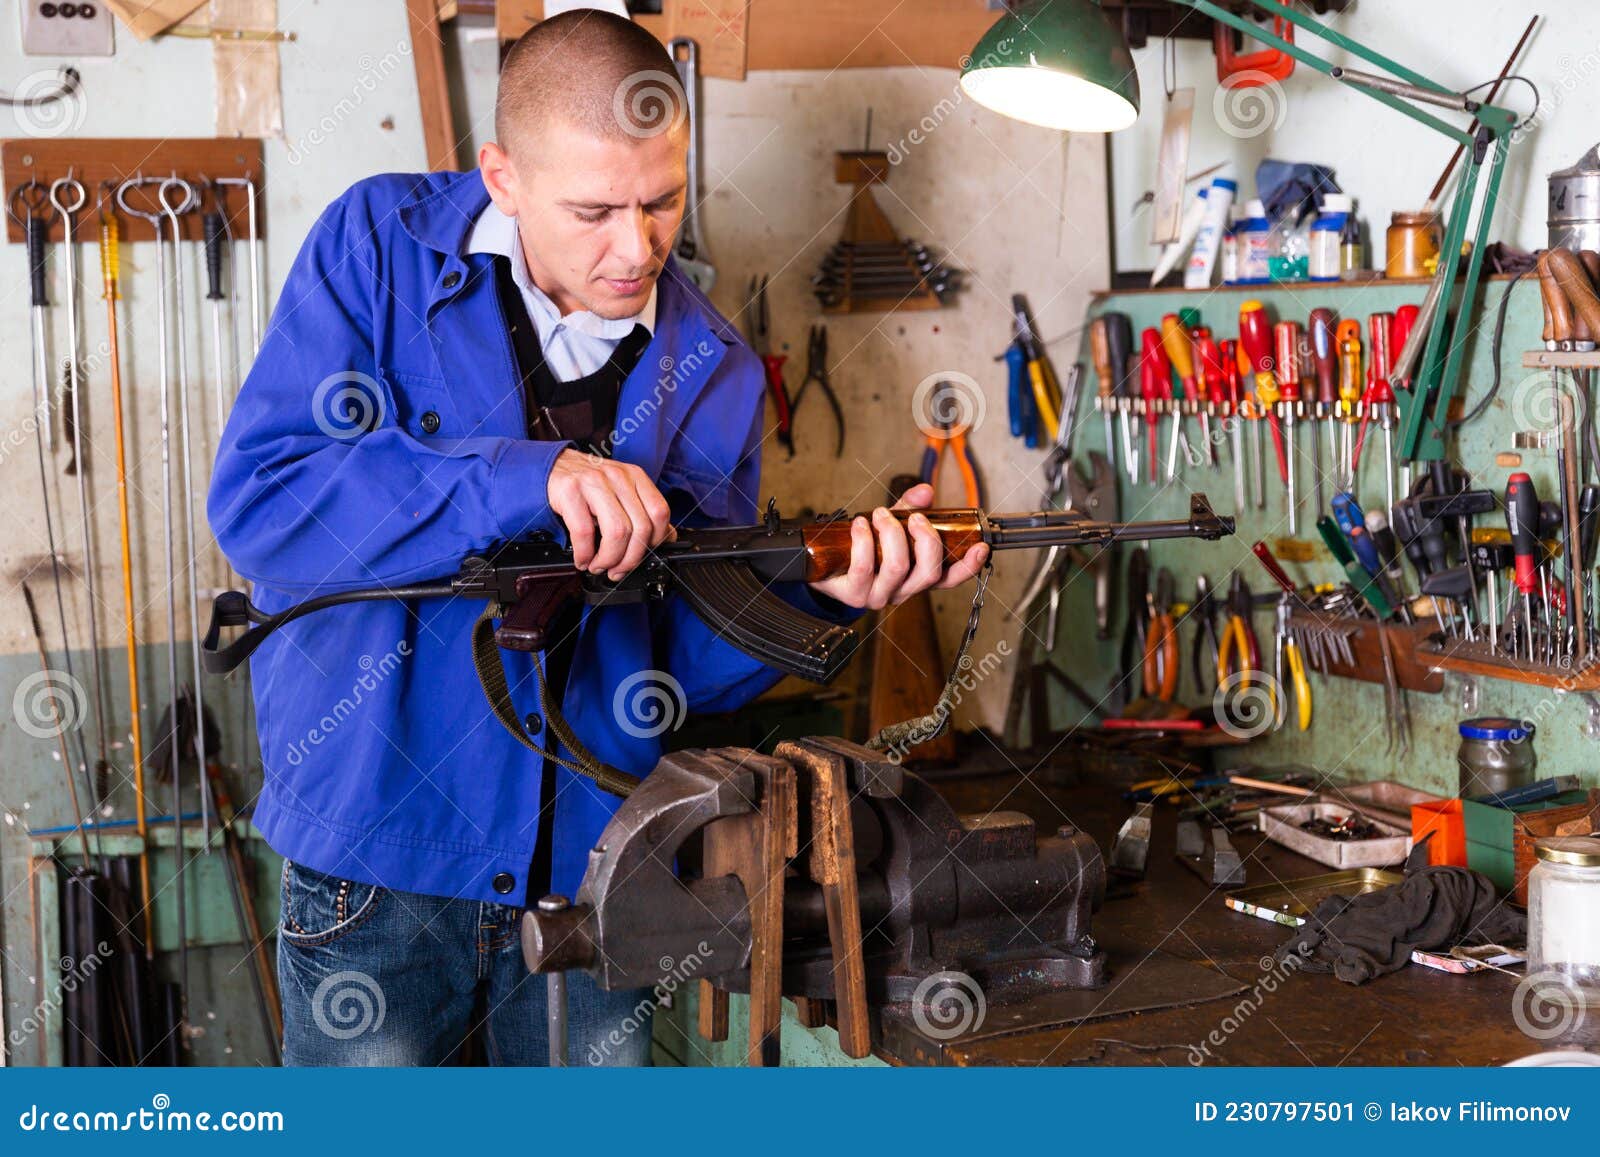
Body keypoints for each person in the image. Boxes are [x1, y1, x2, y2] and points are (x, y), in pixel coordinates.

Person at [208, 10, 986, 1066]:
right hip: (378, 869)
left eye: (662, 201)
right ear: (503, 175)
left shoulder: (709, 364)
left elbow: (682, 665)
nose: (637, 248)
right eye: (594, 209)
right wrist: (527, 475)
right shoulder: (377, 250)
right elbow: (268, 501)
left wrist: (824, 592)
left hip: (603, 862)